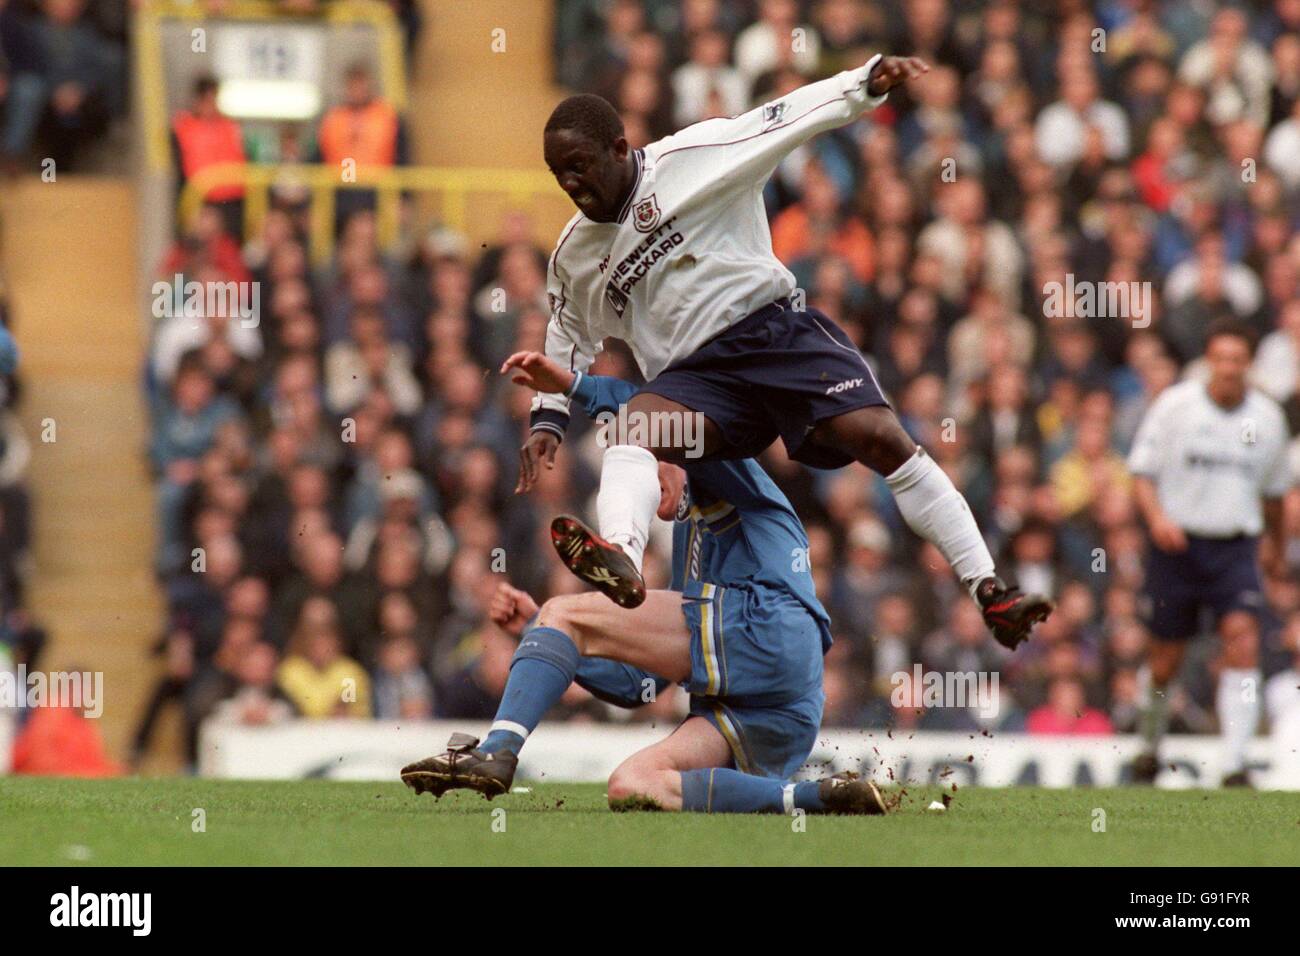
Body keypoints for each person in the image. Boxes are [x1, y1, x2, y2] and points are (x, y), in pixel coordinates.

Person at [508, 53, 1052, 650]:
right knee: (632, 430)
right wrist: (548, 420)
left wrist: (862, 84)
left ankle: (989, 590)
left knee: (883, 438)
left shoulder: (697, 155)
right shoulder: (574, 255)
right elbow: (566, 334)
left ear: (619, 147)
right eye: (558, 174)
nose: (570, 184)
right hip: (699, 383)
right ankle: (625, 560)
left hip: (774, 336)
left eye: (579, 166)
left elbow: (786, 117)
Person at [401, 357, 886, 815]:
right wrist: (536, 629)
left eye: (642, 472)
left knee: (566, 611)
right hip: (781, 706)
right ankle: (814, 798)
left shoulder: (724, 464)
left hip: (769, 622)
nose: (653, 503)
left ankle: (497, 750)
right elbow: (641, 684)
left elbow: (642, 408)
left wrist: (572, 387)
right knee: (635, 783)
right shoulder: (688, 541)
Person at [1128, 318, 1293, 787]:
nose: (1228, 368)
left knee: (1241, 642)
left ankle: (1235, 765)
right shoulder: (1176, 406)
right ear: (1208, 361)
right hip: (1177, 545)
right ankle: (1149, 746)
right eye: (1220, 359)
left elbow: (1276, 494)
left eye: (1237, 360)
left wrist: (1276, 549)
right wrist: (1158, 518)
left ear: (1249, 364)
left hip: (1235, 547)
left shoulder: (1266, 418)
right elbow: (1142, 472)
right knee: (1166, 658)